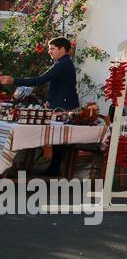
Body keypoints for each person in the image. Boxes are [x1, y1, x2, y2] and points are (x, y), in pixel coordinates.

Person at [1, 36, 81, 175]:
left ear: (63, 49)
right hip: (60, 104)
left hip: (64, 106)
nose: (50, 51)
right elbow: (57, 86)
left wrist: (13, 80)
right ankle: (53, 168)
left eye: (52, 49)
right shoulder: (62, 63)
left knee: (59, 139)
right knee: (57, 138)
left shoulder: (63, 64)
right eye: (49, 49)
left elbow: (40, 80)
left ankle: (55, 169)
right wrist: (49, 100)